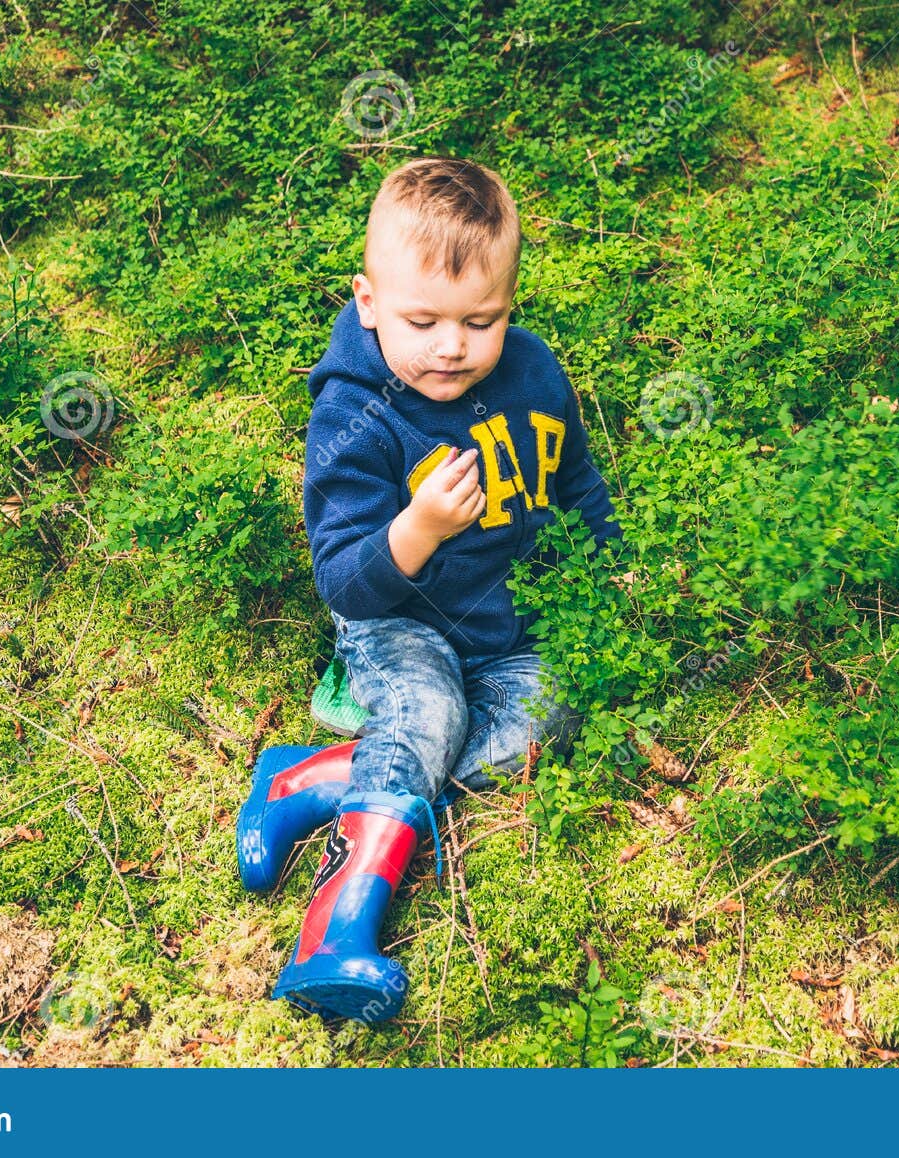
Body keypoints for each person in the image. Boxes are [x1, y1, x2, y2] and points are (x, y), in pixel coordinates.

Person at [235, 156, 623, 1023]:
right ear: (369, 304)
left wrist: (607, 569)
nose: (451, 346)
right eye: (423, 321)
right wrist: (417, 530)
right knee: (424, 710)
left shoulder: (531, 373)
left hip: (510, 627)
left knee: (551, 715)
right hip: (396, 619)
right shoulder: (356, 413)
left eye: (479, 322)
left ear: (509, 308)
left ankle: (304, 781)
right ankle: (332, 934)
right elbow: (345, 578)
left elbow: (579, 487)